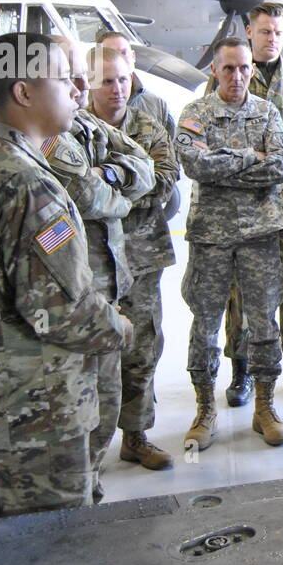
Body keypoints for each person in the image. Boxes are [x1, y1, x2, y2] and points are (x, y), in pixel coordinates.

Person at [0, 31, 131, 518]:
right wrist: (117, 326)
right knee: (50, 558)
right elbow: (59, 312)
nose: (78, 90)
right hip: (34, 418)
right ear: (24, 92)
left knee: (8, 548)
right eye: (65, 79)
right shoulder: (28, 185)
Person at [43, 39, 155, 496]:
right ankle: (73, 489)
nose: (80, 87)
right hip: (70, 291)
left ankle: (89, 482)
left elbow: (146, 166)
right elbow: (91, 198)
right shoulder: (47, 135)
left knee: (107, 394)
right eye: (75, 76)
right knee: (71, 401)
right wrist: (114, 188)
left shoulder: (86, 124)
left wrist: (108, 173)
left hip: (109, 283)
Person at [177, 37, 283, 451]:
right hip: (210, 236)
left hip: (259, 235)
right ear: (214, 69)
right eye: (229, 68)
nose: (238, 76)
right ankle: (205, 408)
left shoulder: (267, 112)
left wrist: (225, 161)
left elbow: (280, 166)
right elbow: (195, 164)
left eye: (245, 68)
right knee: (205, 323)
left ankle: (265, 407)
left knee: (264, 321)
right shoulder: (196, 113)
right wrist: (250, 156)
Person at [209, 3, 283, 406]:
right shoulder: (232, 77)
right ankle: (240, 370)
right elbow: (215, 145)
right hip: (244, 207)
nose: (271, 38)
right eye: (263, 31)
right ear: (249, 32)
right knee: (242, 291)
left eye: (277, 31)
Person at [86, 46, 179, 470]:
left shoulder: (148, 125)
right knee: (89, 350)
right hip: (87, 263)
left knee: (142, 347)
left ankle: (136, 436)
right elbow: (66, 188)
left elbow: (164, 182)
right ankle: (86, 445)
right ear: (88, 82)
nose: (117, 89)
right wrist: (130, 178)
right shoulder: (69, 127)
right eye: (106, 80)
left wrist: (103, 184)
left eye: (123, 80)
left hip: (141, 255)